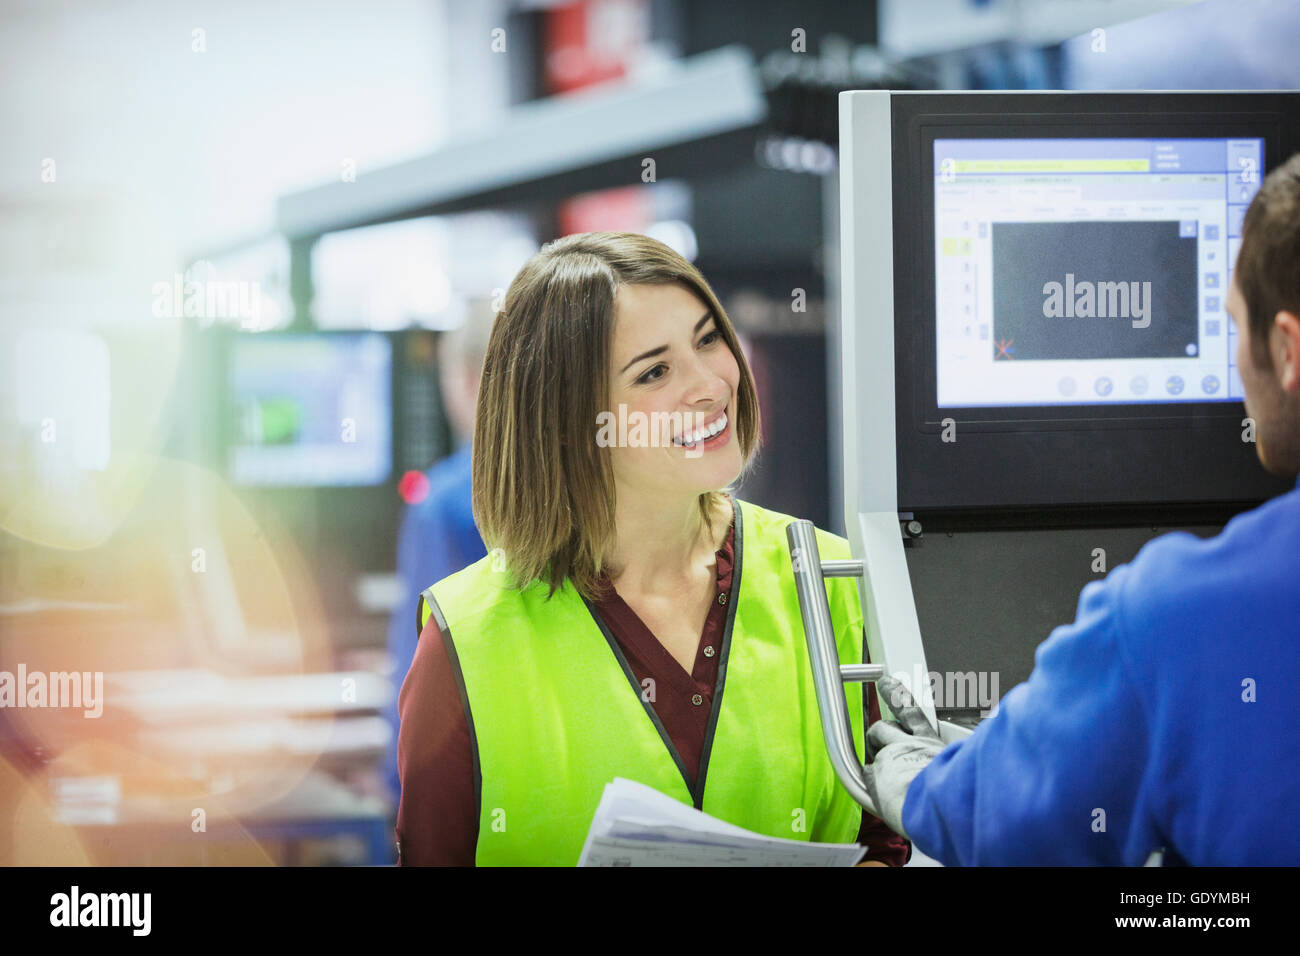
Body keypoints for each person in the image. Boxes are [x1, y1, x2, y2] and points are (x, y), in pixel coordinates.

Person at [395, 231, 909, 866]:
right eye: (655, 371)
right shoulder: (465, 639)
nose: (711, 384)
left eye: (708, 339)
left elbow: (880, 841)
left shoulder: (823, 577)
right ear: (568, 420)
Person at [863, 153, 1300, 866]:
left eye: (1231, 323)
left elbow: (1005, 825)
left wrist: (930, 788)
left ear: (1287, 349)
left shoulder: (1182, 612)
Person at [382, 299, 494, 806]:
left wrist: (391, 785)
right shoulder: (592, 491)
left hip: (455, 798)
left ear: (468, 381)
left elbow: (423, 671)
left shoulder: (443, 501)